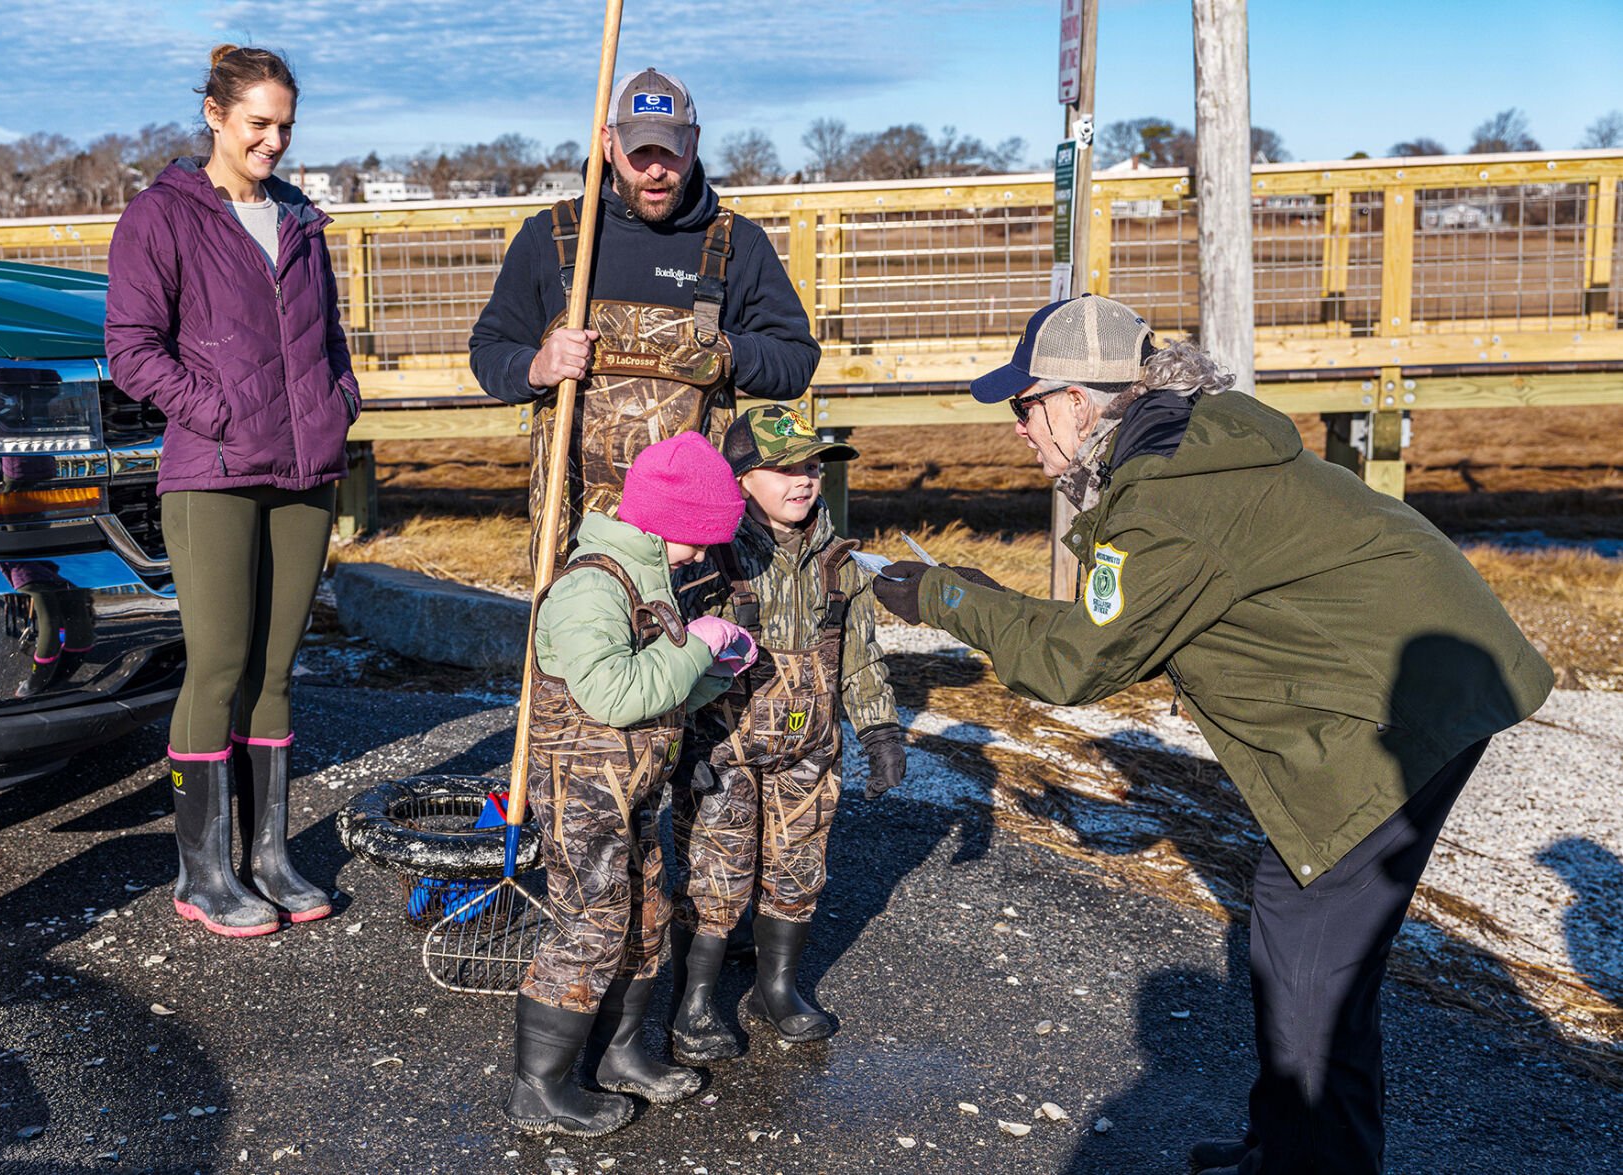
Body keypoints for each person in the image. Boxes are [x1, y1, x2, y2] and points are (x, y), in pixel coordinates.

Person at [870, 295, 1554, 1175]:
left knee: (1310, 966)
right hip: (1411, 683)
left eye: (1023, 405)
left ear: (1078, 401)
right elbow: (1141, 620)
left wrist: (944, 597)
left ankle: (1310, 1163)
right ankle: (1288, 1147)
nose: (1017, 429)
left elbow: (1077, 662)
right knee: (1291, 934)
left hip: (1393, 717)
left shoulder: (1170, 494)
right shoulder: (1185, 446)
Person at [106, 45, 359, 938]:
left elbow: (329, 337)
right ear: (214, 116)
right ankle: (203, 871)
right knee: (216, 664)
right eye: (259, 123)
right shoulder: (160, 217)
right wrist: (214, 412)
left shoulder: (300, 220)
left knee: (277, 669)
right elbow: (132, 349)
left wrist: (338, 402)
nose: (275, 140)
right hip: (211, 470)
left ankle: (269, 856)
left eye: (285, 125)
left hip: (304, 472)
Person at [468, 68, 819, 569]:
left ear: (694, 144)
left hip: (698, 540)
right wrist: (536, 368)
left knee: (697, 647)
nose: (655, 170)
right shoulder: (553, 237)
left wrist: (728, 351)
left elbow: (796, 361)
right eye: (640, 153)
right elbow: (489, 352)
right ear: (608, 143)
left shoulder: (737, 244)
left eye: (669, 152)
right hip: (577, 534)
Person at [509, 432, 758, 1138]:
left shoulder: (650, 576)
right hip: (583, 796)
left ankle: (619, 1053)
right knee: (588, 928)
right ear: (659, 520)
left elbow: (660, 689)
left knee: (644, 917)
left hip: (635, 790)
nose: (703, 554)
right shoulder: (591, 585)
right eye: (697, 538)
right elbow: (614, 695)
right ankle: (539, 1085)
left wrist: (718, 668)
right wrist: (695, 643)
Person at [668, 405, 903, 1061]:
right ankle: (692, 1000)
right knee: (715, 874)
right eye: (783, 467)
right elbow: (673, 659)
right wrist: (676, 748)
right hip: (723, 749)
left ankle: (777, 988)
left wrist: (881, 731)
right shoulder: (710, 557)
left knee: (798, 869)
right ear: (739, 478)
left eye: (811, 466)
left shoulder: (837, 560)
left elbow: (858, 653)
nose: (803, 479)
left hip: (808, 751)